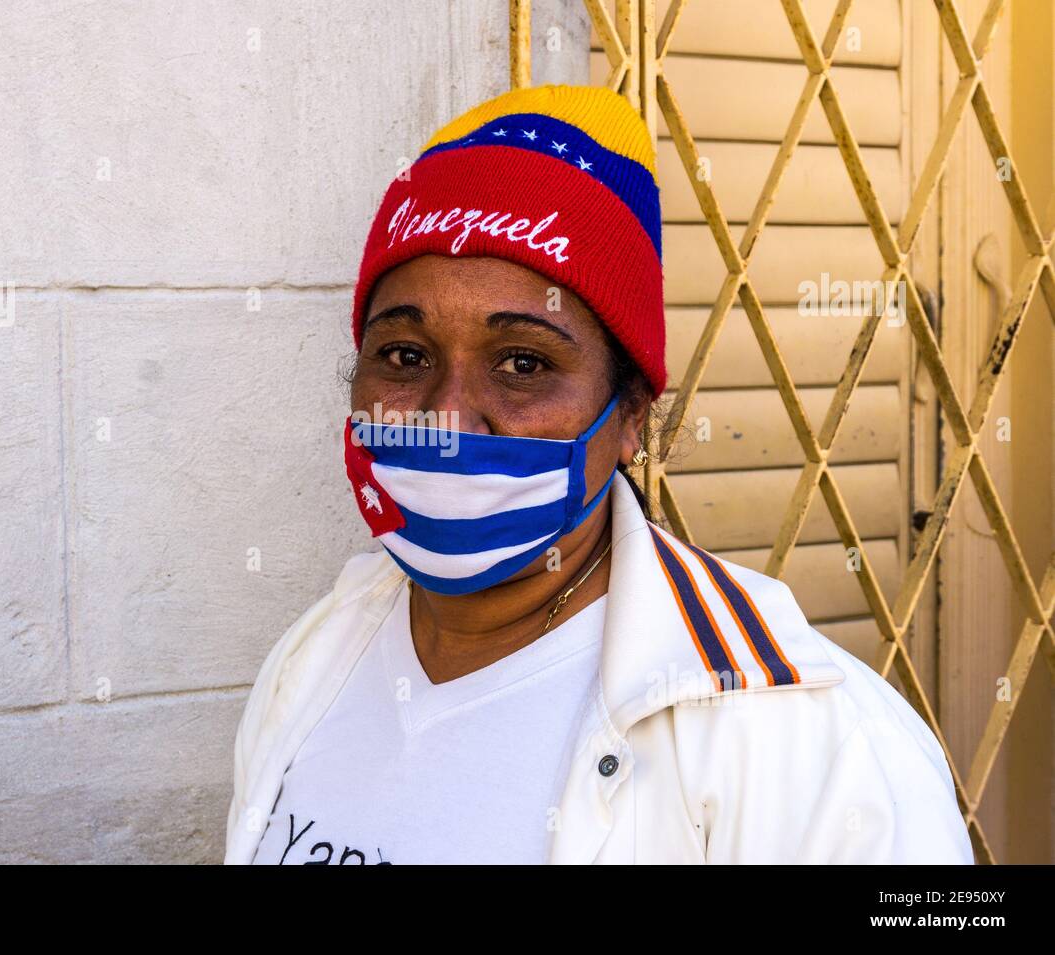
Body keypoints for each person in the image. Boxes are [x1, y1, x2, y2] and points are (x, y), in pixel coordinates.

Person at [224, 84, 974, 864]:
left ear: (629, 416)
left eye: (523, 363)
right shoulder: (314, 661)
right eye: (405, 356)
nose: (447, 414)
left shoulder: (817, 752)